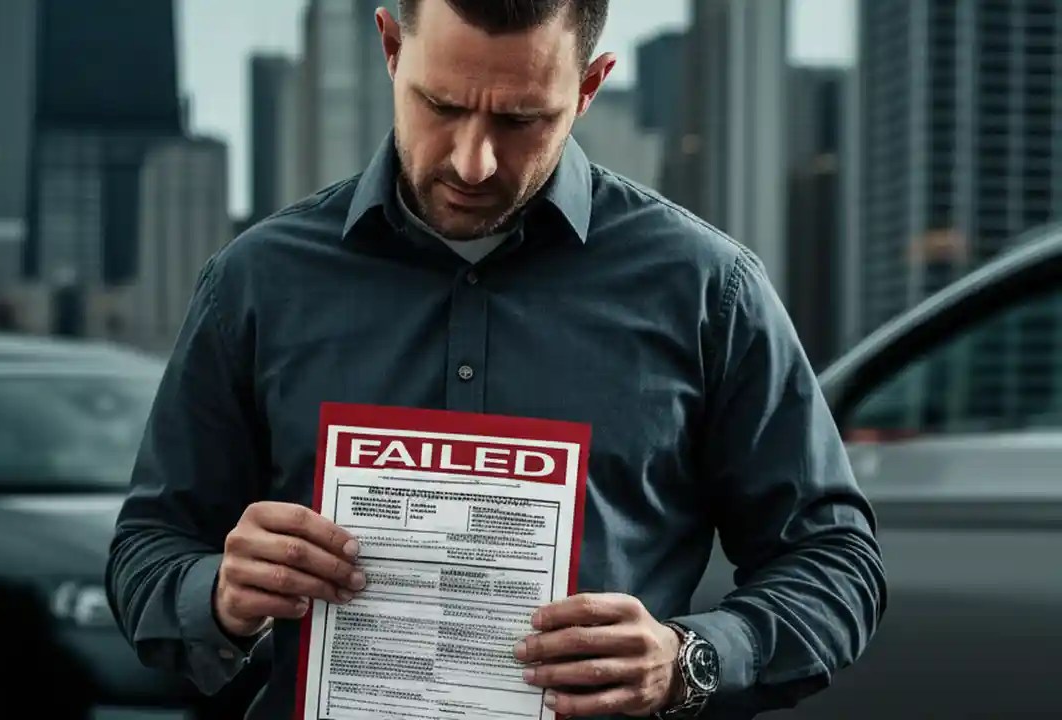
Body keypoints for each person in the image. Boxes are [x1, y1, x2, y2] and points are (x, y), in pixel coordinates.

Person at [105, 0, 887, 718]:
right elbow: (147, 552)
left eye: (520, 120)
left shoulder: (708, 291)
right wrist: (219, 594)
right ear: (389, 47)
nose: (473, 162)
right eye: (441, 107)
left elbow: (836, 563)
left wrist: (691, 660)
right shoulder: (256, 282)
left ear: (588, 87)